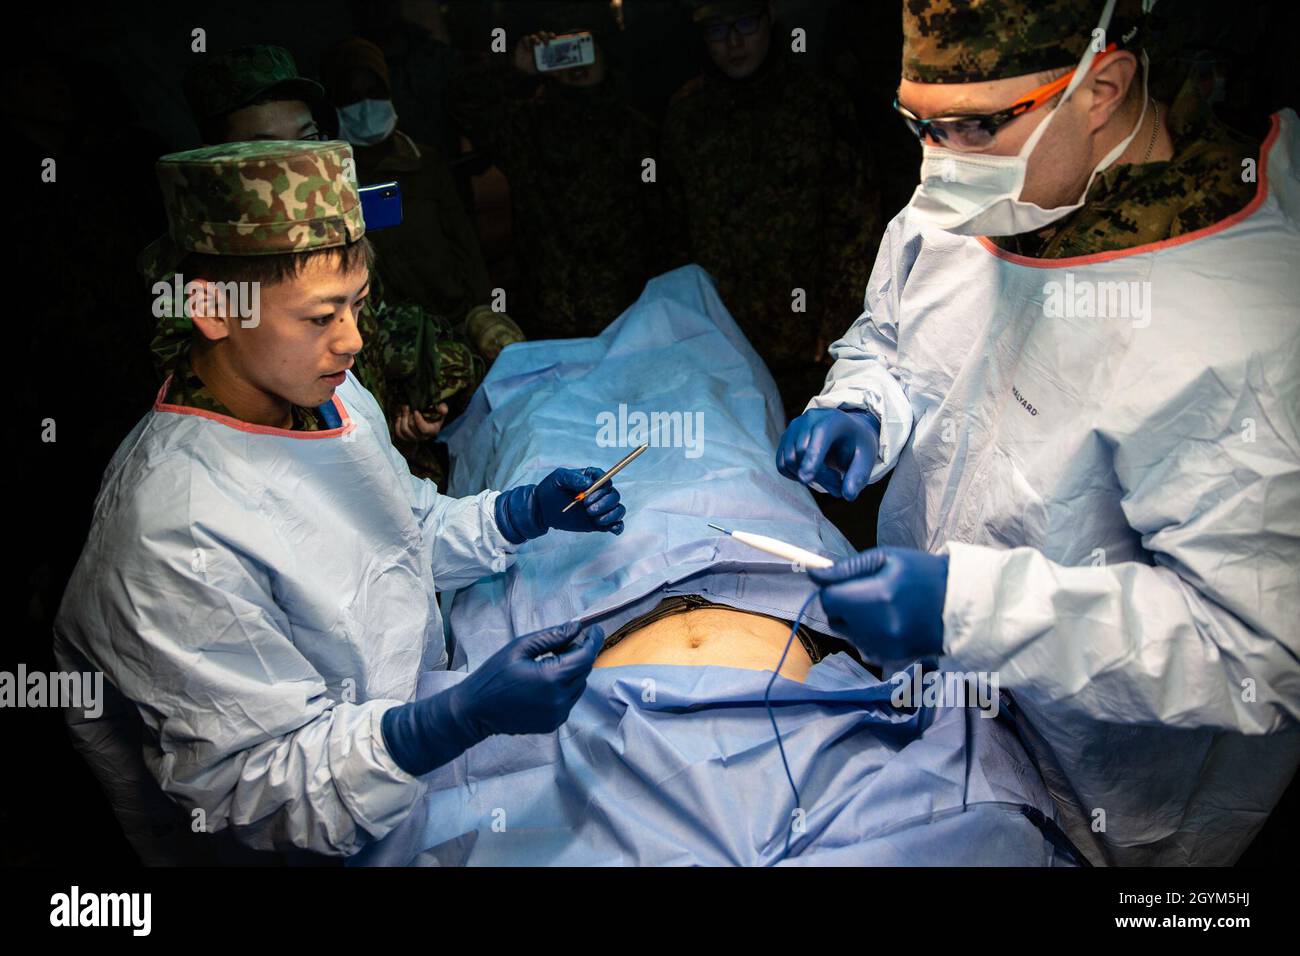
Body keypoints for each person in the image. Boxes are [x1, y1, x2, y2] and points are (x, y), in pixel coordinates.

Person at [777, 0, 1300, 865]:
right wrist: (865, 406)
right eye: (919, 124)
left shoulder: (1241, 328)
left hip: (1096, 781)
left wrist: (970, 609)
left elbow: (1256, 651)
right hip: (938, 694)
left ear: (1103, 87)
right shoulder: (981, 189)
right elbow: (895, 337)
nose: (939, 164)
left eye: (974, 126)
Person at [353, 264, 1070, 867]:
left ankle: (518, 359)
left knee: (548, 413)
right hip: (739, 552)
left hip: (614, 665)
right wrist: (861, 408)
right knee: (696, 406)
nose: (348, 337)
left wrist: (520, 513)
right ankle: (518, 355)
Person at [52, 140, 625, 863]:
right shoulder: (172, 532)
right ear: (213, 310)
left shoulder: (328, 394)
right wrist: (448, 721)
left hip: (400, 754)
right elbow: (250, 788)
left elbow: (400, 531)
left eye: (358, 304)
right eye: (321, 316)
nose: (352, 341)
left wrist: (520, 513)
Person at [662, 0, 881, 421]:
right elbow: (673, 233)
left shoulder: (817, 102)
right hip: (722, 345)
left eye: (745, 23)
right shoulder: (687, 114)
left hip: (810, 345)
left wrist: (840, 324)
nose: (734, 43)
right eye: (717, 30)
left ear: (769, 20)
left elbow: (856, 221)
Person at [448, 26, 666, 338]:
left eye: (584, 46)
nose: (576, 61)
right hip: (548, 318)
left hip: (629, 316)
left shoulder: (637, 134)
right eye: (564, 50)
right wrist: (514, 70)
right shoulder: (525, 129)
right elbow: (464, 104)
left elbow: (663, 223)